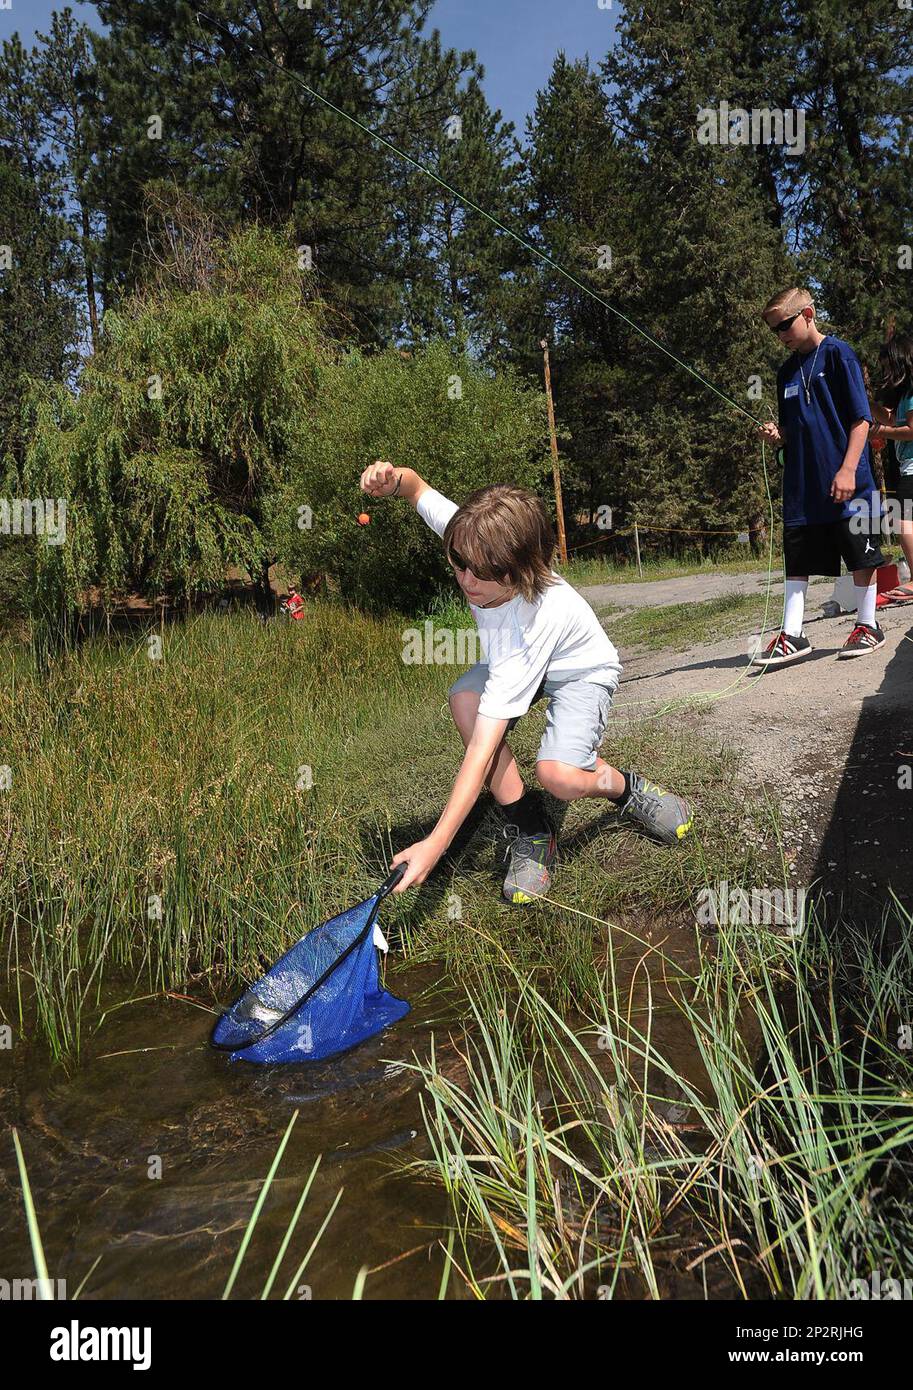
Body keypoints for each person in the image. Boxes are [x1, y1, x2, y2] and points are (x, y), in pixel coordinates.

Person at [359, 461, 692, 901]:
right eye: (457, 562)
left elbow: (481, 752)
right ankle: (532, 830)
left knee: (559, 777)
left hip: (579, 668)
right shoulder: (474, 539)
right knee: (464, 699)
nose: (465, 578)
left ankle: (626, 788)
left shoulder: (529, 623)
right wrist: (391, 479)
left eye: (480, 571)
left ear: (519, 571)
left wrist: (434, 846)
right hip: (519, 664)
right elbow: (418, 488)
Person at [754, 288, 886, 664]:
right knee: (797, 558)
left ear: (808, 314)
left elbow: (861, 419)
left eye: (784, 325)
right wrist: (778, 437)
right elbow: (794, 430)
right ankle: (793, 634)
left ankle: (867, 624)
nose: (780, 335)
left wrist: (847, 469)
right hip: (804, 486)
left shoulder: (839, 353)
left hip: (849, 481)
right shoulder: (785, 373)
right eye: (774, 330)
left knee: (861, 555)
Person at [871, 333, 913, 601]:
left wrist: (879, 431)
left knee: (904, 523)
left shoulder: (911, 393)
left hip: (912, 468)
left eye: (887, 365)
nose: (885, 371)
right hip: (908, 467)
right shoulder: (904, 396)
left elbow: (910, 430)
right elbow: (893, 419)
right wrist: (868, 405)